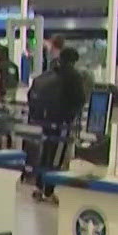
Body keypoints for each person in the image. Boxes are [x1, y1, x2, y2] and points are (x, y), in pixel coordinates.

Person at [33, 47, 88, 202]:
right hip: (62, 121)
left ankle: (39, 186)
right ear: (74, 60)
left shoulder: (51, 73)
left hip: (46, 119)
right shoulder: (74, 76)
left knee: (46, 152)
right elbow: (80, 99)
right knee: (57, 155)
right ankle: (49, 190)